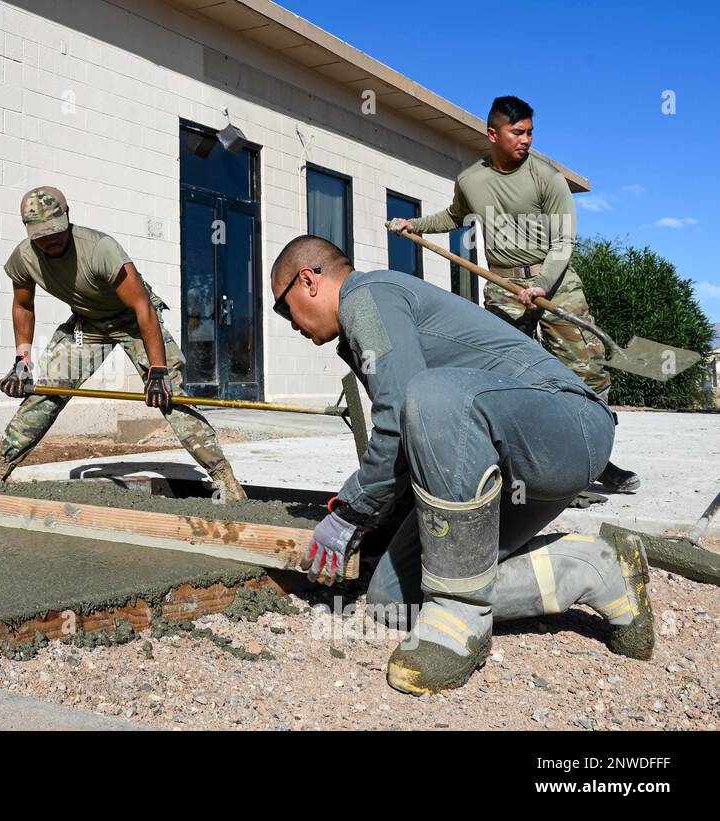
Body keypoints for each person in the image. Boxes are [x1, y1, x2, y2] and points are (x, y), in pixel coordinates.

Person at [273, 235, 653, 695]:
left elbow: (400, 414)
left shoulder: (366, 297)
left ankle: (459, 611)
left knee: (429, 394)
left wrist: (352, 510)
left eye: (283, 307)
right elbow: (424, 448)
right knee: (392, 597)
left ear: (308, 280)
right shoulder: (366, 323)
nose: (290, 324)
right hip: (515, 471)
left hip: (568, 426)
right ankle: (590, 568)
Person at [389, 95, 639, 492]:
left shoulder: (547, 178)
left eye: (530, 133)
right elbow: (454, 216)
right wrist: (413, 223)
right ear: (493, 134)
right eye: (518, 132)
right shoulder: (471, 180)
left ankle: (596, 460)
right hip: (503, 286)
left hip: (555, 282)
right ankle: (518, 465)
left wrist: (542, 284)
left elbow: (564, 242)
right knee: (502, 372)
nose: (526, 140)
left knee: (586, 371)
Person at [0, 186, 246, 501]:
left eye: (55, 231)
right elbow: (23, 306)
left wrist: (159, 371)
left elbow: (143, 309)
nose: (50, 240)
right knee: (47, 392)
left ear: (67, 218)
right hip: (89, 325)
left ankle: (225, 480)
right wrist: (21, 360)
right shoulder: (24, 258)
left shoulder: (100, 249)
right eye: (41, 235)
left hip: (134, 321)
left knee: (170, 397)